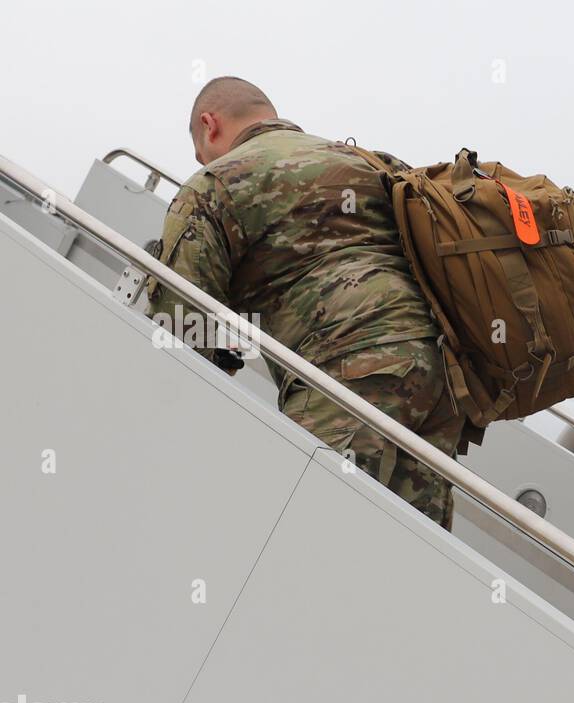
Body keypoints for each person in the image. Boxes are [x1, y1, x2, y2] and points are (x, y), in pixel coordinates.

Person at [146, 76, 473, 529]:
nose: (205, 160)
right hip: (444, 380)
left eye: (201, 151)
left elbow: (179, 322)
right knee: (402, 560)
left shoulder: (216, 182)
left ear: (209, 124)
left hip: (348, 373)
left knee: (296, 534)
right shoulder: (365, 161)